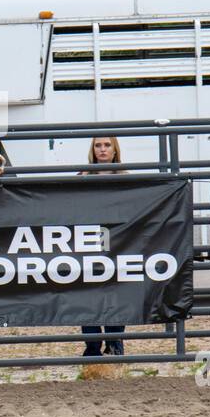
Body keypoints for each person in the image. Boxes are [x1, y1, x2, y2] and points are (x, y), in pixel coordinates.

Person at [79, 136, 126, 357]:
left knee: (117, 293)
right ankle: (92, 346)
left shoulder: (128, 178)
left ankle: (115, 343)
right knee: (88, 295)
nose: (103, 149)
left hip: (118, 242)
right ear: (92, 149)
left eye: (107, 145)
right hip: (89, 243)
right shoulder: (81, 177)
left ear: (115, 149)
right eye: (98, 145)